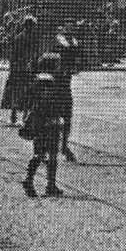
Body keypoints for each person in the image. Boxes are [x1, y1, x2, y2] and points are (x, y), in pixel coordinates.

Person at [18, 52, 65, 197]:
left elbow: (27, 101)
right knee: (51, 155)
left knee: (38, 153)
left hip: (37, 122)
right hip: (49, 122)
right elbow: (49, 102)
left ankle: (29, 179)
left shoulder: (36, 80)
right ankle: (49, 185)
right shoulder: (50, 82)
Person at [0, 9, 40, 127]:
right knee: (26, 92)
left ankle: (15, 115)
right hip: (24, 68)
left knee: (18, 92)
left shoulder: (21, 37)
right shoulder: (26, 38)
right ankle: (23, 116)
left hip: (20, 68)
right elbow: (28, 54)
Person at [51, 32, 80, 163]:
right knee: (51, 119)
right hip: (53, 89)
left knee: (67, 117)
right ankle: (50, 148)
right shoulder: (56, 41)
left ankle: (63, 146)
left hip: (64, 89)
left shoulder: (71, 42)